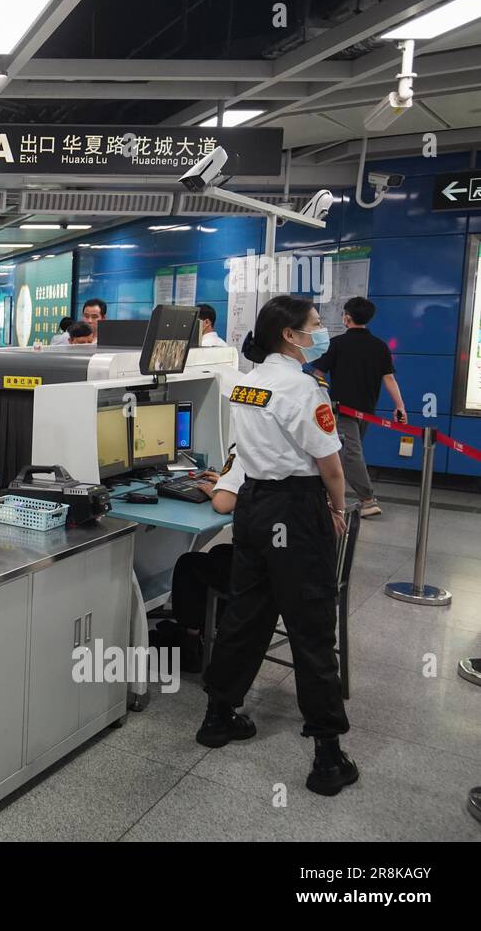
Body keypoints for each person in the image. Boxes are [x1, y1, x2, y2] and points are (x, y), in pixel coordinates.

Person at [197, 294, 356, 797]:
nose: (321, 331)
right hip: (296, 508)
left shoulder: (247, 383)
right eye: (314, 325)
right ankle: (327, 755)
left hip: (254, 506)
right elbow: (331, 465)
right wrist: (336, 508)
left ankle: (219, 716)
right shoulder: (303, 388)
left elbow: (245, 452)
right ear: (290, 335)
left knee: (246, 614)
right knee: (311, 625)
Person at [310, 296, 407, 518]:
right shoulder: (379, 346)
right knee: (348, 452)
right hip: (367, 411)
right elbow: (389, 379)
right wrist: (400, 406)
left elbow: (318, 375)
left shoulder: (336, 344)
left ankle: (366, 500)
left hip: (341, 410)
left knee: (349, 454)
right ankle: (335, 498)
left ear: (347, 317)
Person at [164, 450, 244, 671]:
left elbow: (222, 505)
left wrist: (220, 492)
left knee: (189, 564)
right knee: (219, 552)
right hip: (285, 564)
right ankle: (213, 629)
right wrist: (226, 483)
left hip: (255, 571)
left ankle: (191, 642)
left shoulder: (243, 451)